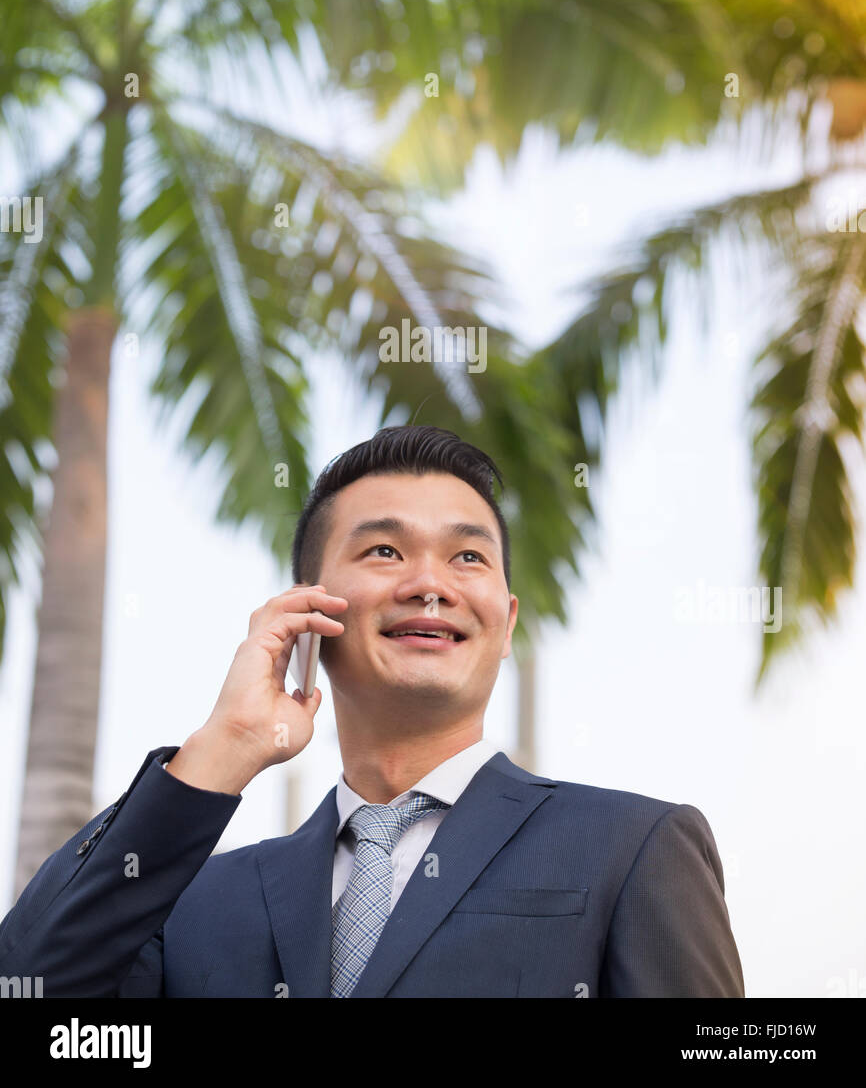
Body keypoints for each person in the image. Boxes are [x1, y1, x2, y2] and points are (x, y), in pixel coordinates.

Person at [0, 425, 745, 997]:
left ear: (506, 619)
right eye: (385, 551)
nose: (429, 583)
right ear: (307, 609)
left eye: (468, 557)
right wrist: (222, 748)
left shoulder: (635, 847)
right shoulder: (194, 903)